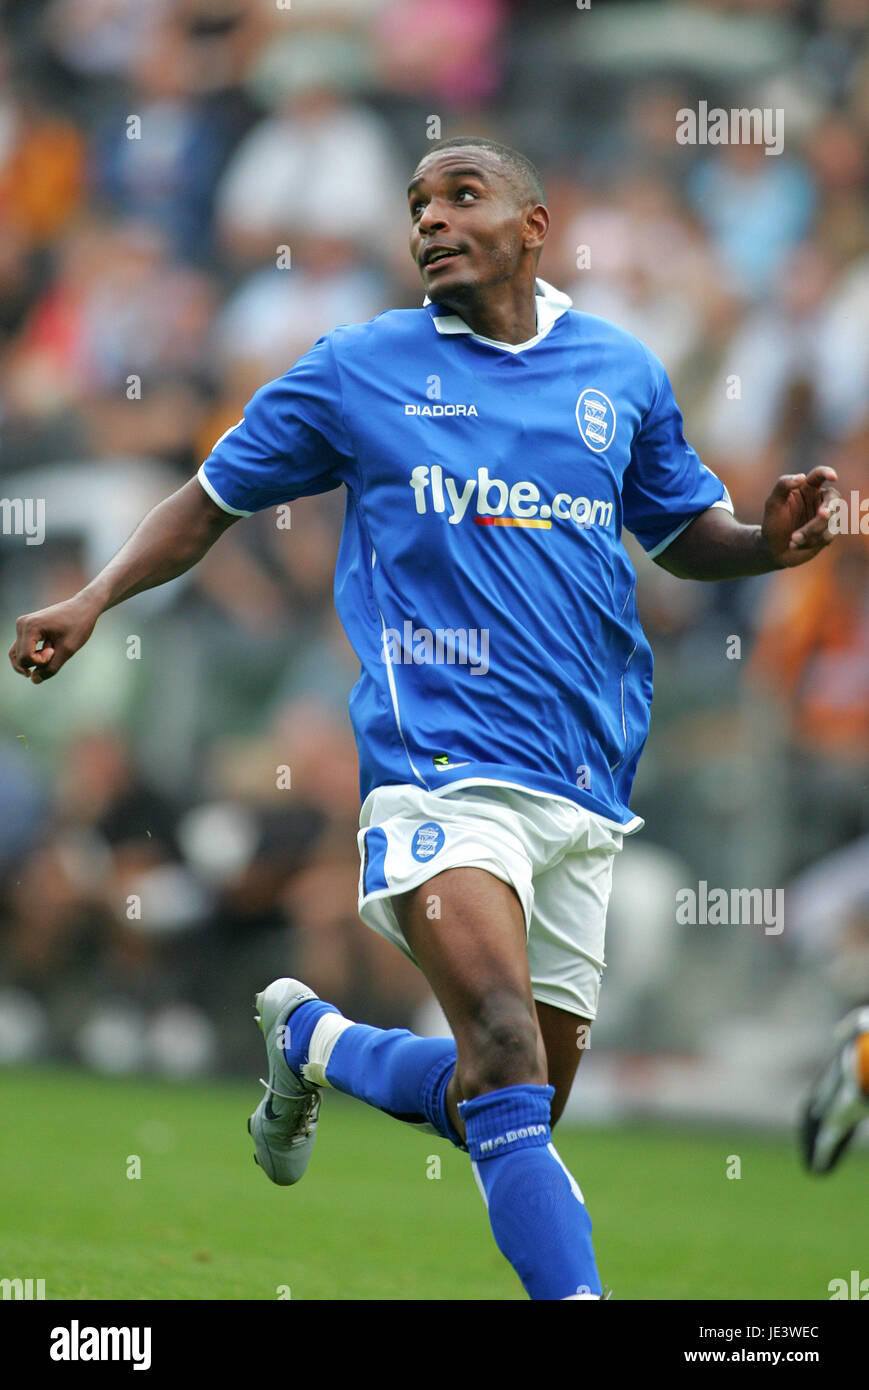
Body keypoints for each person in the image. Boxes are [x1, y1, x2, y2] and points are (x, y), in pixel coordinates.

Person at [9, 138, 840, 1301]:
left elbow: (677, 531)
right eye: (415, 206)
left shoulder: (619, 374)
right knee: (498, 1043)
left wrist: (768, 545)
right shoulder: (359, 368)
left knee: (507, 1104)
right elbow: (211, 499)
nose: (430, 222)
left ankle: (313, 1039)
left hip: (583, 787)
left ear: (534, 225)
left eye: (461, 196)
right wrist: (95, 596)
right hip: (435, 770)